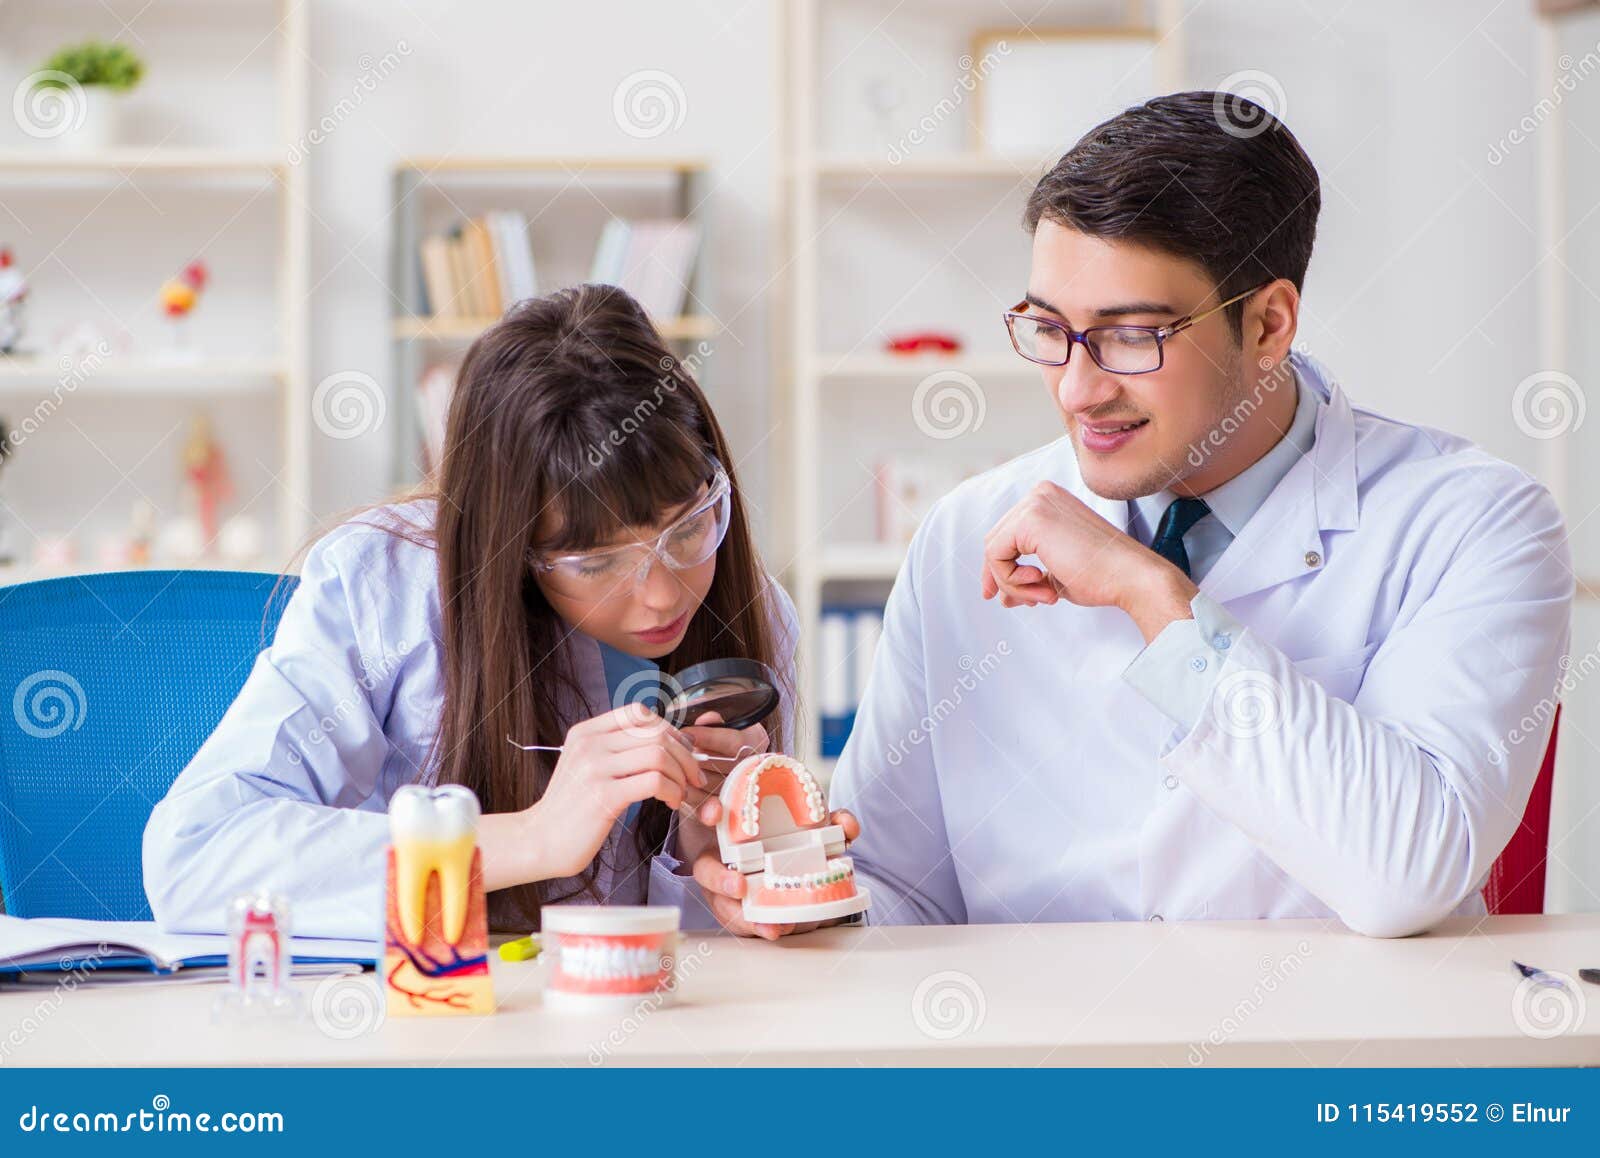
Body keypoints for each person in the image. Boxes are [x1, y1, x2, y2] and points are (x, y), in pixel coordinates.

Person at [696, 90, 1572, 939]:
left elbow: (1405, 877)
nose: (1078, 390)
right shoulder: (968, 531)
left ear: (1269, 325)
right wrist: (806, 899)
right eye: (1049, 329)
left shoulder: (1475, 523)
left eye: (1131, 336)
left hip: (1321, 1071)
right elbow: (899, 887)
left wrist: (1152, 598)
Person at [143, 284, 796, 938]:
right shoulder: (385, 589)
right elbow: (197, 858)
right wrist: (534, 837)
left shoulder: (754, 611)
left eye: (685, 530)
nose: (661, 594)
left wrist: (724, 867)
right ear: (509, 549)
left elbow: (689, 969)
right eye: (596, 563)